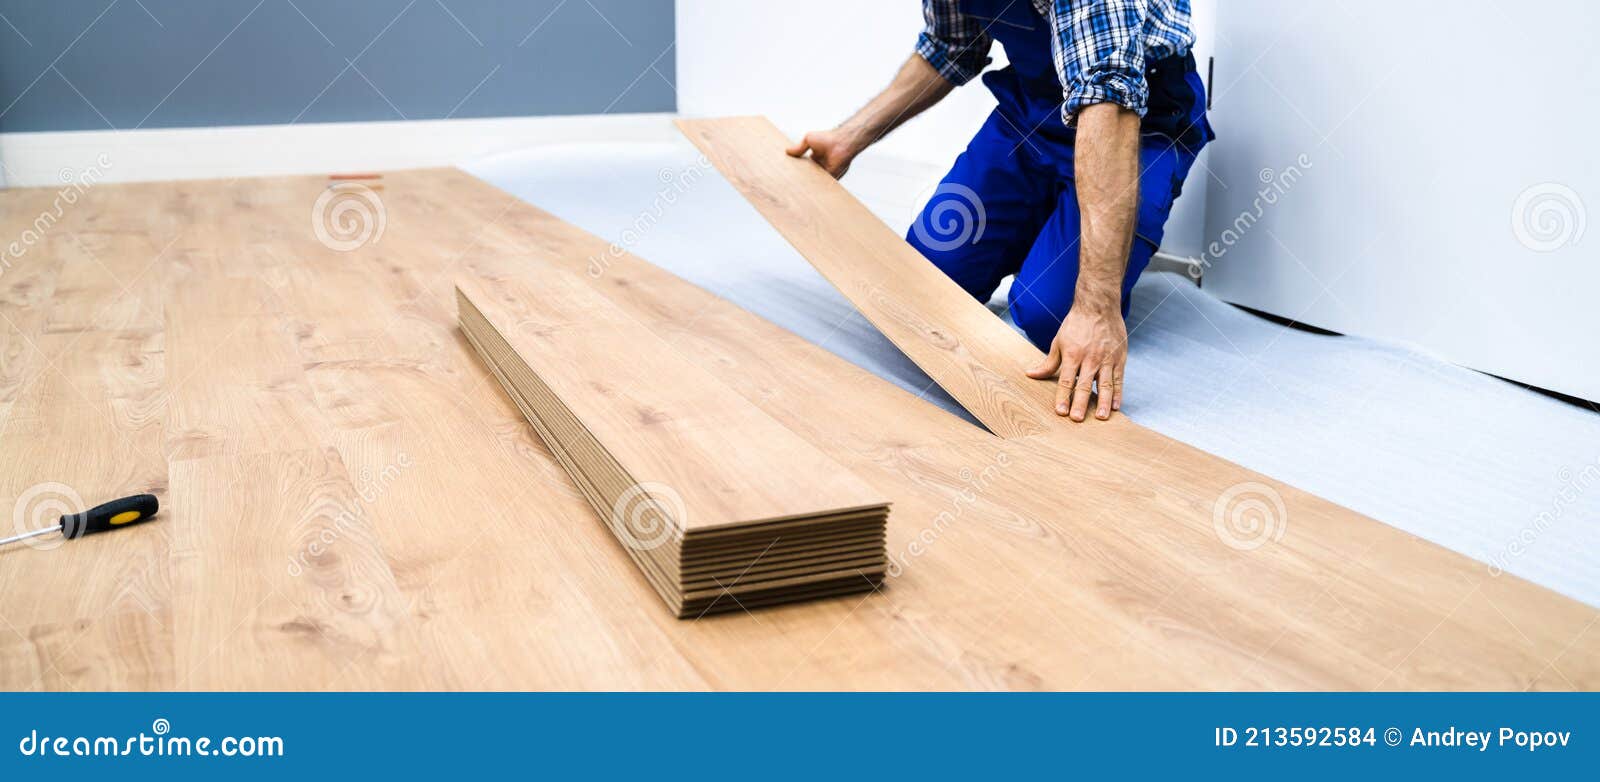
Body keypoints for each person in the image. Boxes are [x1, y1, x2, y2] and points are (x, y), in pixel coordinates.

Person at [788, 0, 1213, 422]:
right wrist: (848, 138)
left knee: (1051, 317)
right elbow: (950, 47)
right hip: (1034, 116)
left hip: (1137, 124)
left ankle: (1068, 251)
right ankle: (1050, 229)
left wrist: (1097, 306)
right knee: (930, 280)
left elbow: (1108, 100)